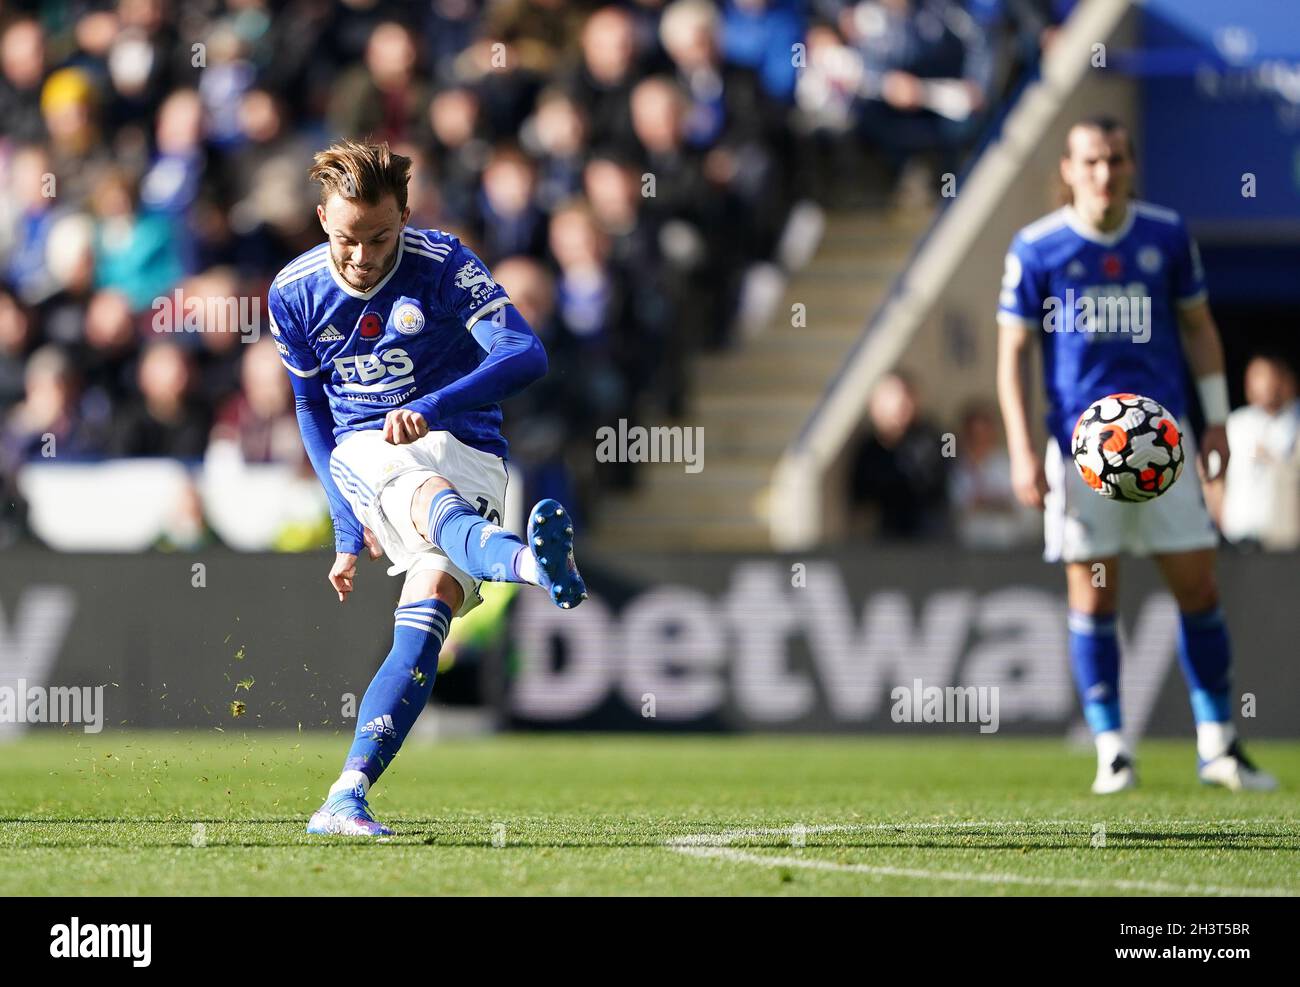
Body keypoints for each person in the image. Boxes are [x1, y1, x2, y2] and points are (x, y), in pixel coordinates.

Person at [270, 139, 586, 836]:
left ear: (405, 215)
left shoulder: (442, 264)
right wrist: (346, 525)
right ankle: (532, 564)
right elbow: (310, 409)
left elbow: (525, 351)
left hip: (467, 442)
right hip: (366, 446)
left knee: (427, 615)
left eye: (380, 236)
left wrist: (436, 406)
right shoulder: (292, 293)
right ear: (323, 218)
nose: (363, 255)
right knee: (420, 487)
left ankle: (344, 795)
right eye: (349, 238)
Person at [995, 115, 1275, 794]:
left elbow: (1199, 327)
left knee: (1198, 587)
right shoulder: (1038, 249)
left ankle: (1219, 746)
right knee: (1094, 597)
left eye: (1115, 160)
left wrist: (1214, 418)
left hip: (1164, 442)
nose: (1104, 173)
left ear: (1130, 165)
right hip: (1079, 452)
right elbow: (1013, 353)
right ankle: (1113, 749)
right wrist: (1023, 448)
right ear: (1067, 168)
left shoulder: (1165, 235)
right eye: (1091, 161)